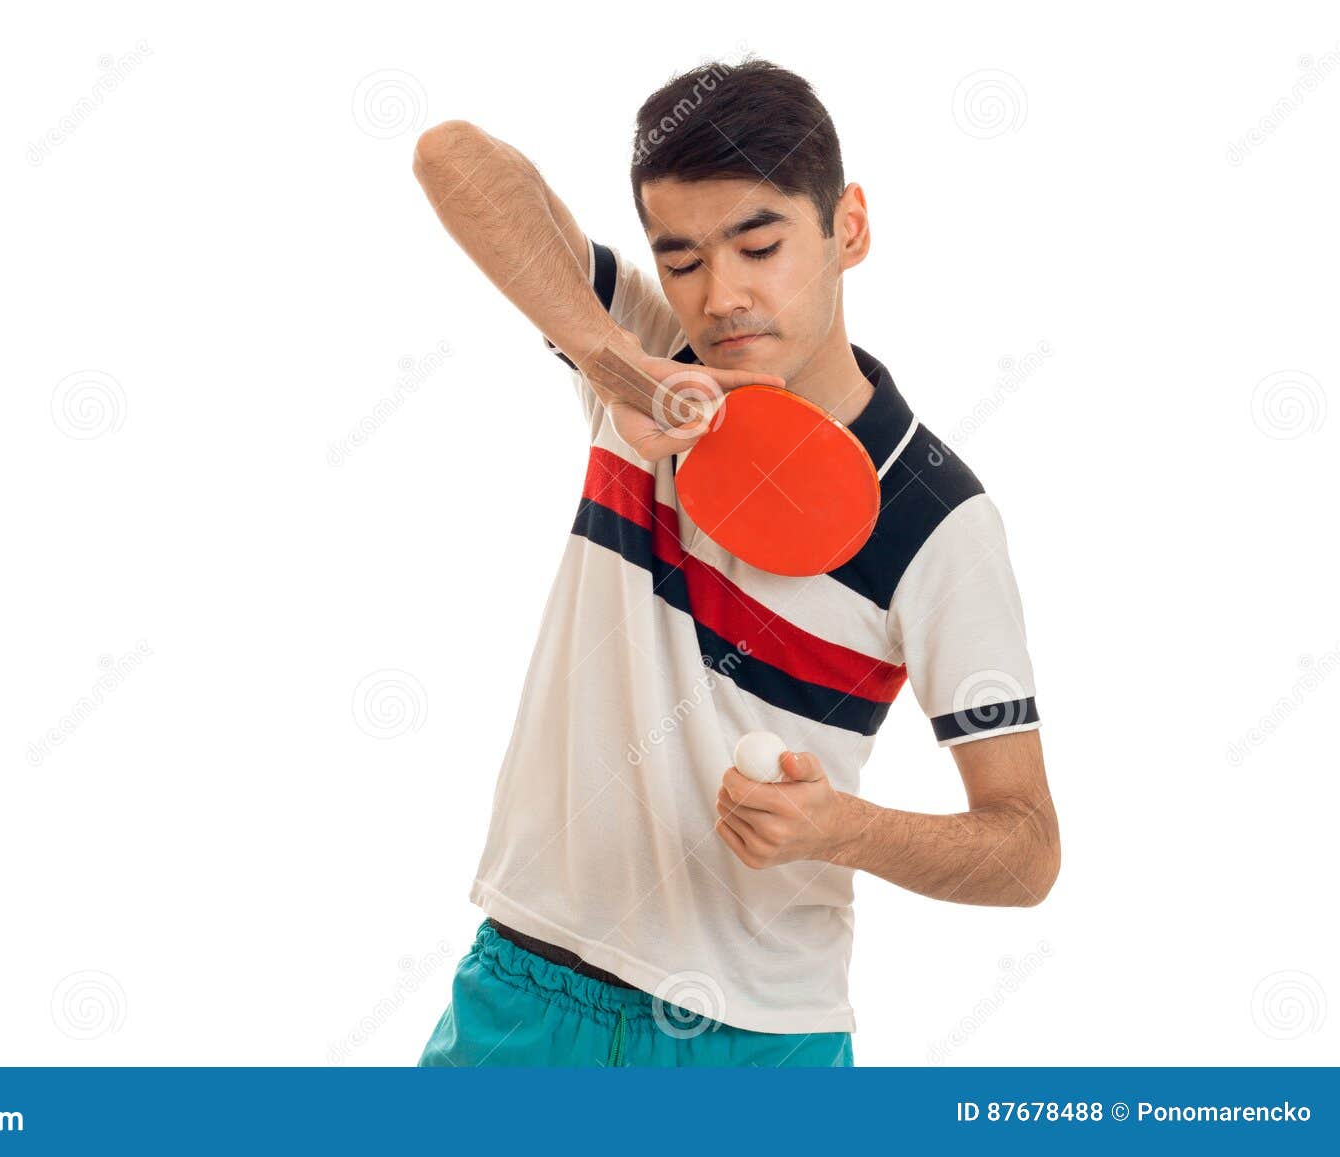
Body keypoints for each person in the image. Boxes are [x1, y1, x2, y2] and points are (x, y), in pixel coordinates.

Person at [411, 56, 1059, 1068]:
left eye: (759, 245)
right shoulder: (648, 353)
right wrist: (617, 364)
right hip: (525, 993)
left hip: (756, 1053)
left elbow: (1024, 848)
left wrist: (839, 826)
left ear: (848, 226)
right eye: (681, 259)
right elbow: (451, 156)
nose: (722, 296)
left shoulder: (940, 520)